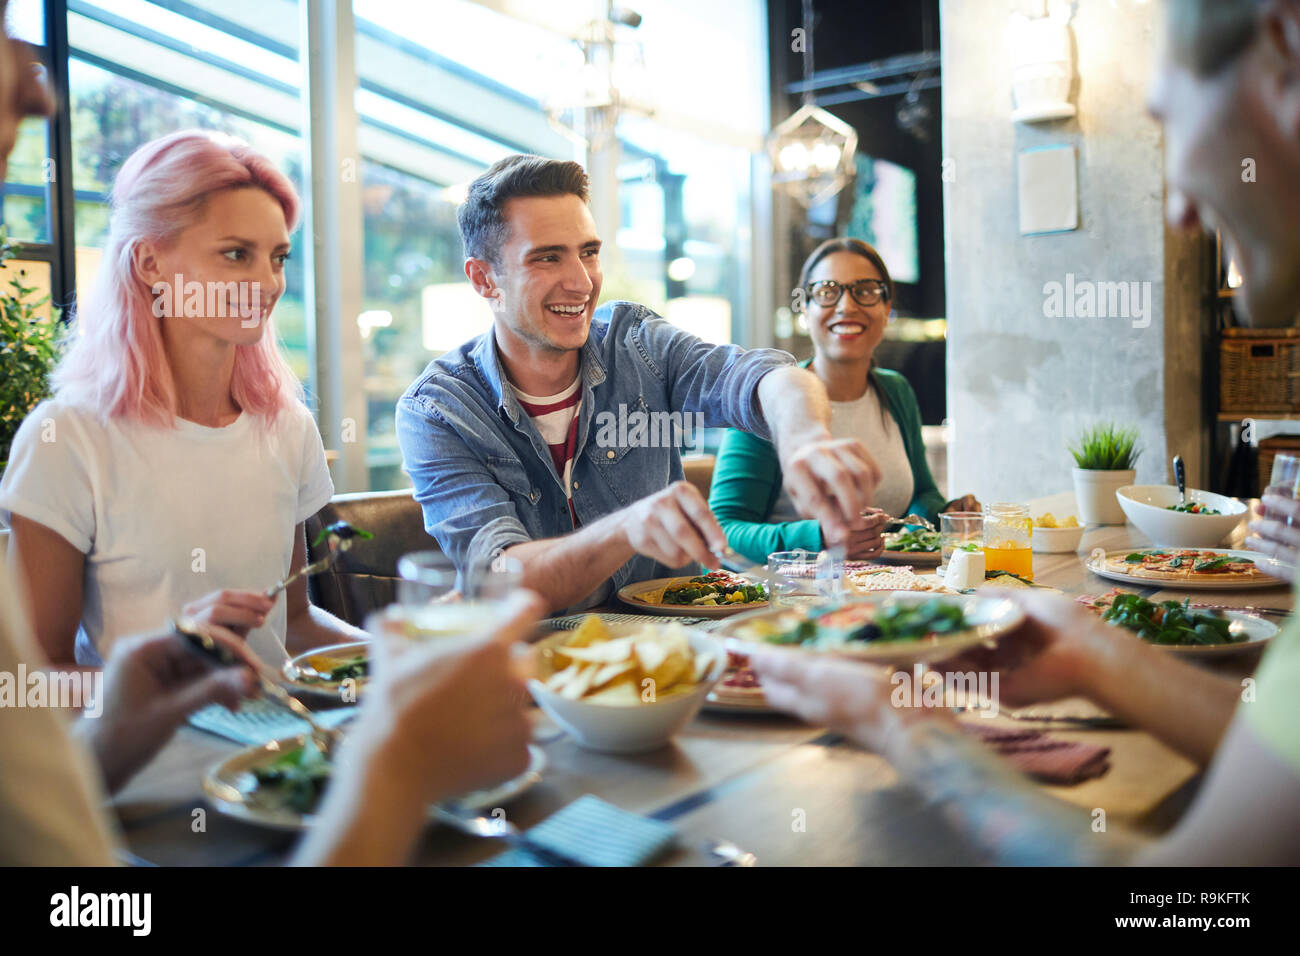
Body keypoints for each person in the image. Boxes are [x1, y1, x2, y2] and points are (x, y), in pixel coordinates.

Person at [748, 0, 1300, 866]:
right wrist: (1090, 655)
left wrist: (905, 731)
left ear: (1285, 45)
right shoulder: (777, 404)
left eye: (1166, 116)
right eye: (826, 294)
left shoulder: (891, 389)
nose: (1182, 218)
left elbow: (1193, 901)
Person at [397, 155, 882, 613]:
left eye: (588, 252)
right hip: (541, 673)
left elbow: (766, 377)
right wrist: (625, 529)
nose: (582, 282)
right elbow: (498, 579)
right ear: (484, 280)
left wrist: (804, 439)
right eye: (547, 258)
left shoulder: (637, 343)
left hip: (680, 652)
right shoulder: (438, 410)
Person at [0, 130, 368, 668]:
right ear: (150, 264)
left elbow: (294, 625)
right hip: (140, 751)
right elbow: (37, 681)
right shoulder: (67, 438)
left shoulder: (286, 427)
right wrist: (165, 673)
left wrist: (414, 650)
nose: (267, 283)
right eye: (236, 254)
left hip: (279, 747)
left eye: (278, 257)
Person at [709, 237, 980, 564]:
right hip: (790, 598)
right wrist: (819, 537)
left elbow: (921, 494)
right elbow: (722, 532)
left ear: (886, 307)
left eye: (865, 290)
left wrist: (945, 513)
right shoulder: (769, 400)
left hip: (889, 588)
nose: (846, 306)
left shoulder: (896, 391)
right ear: (805, 310)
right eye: (826, 292)